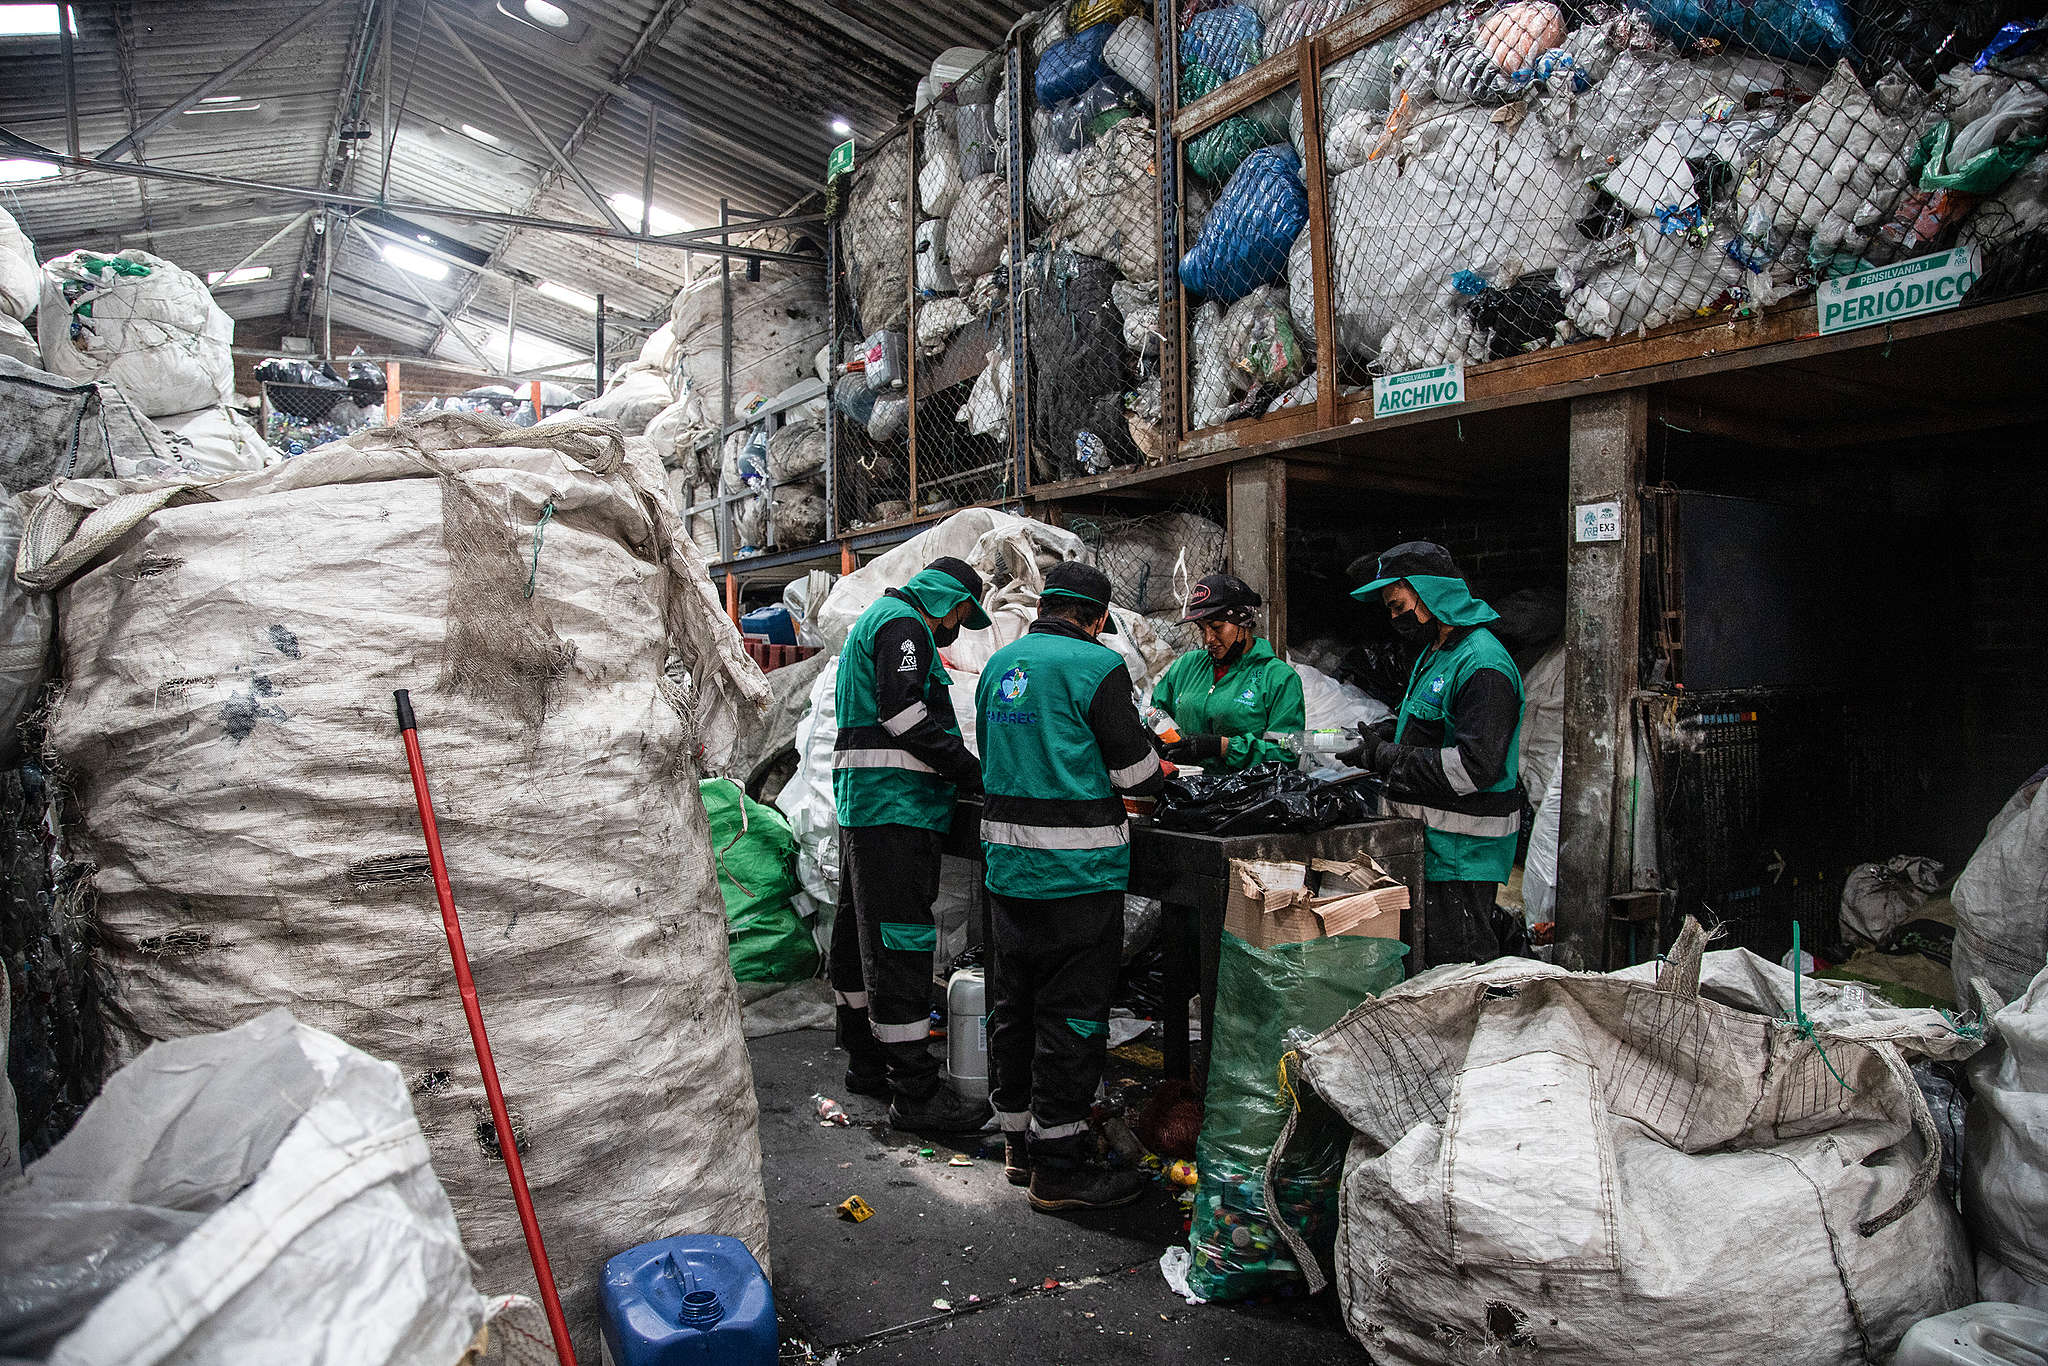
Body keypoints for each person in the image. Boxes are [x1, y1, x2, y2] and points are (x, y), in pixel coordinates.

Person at [976, 562, 1165, 1211]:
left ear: (1043, 607)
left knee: (1016, 1007)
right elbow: (1138, 775)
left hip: (1008, 873)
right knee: (1071, 1019)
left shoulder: (1000, 665)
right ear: (1099, 618)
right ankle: (1058, 1170)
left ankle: (1018, 1145)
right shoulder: (1097, 666)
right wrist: (1159, 762)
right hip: (1076, 877)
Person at [829, 555, 992, 1132]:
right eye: (960, 618)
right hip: (896, 808)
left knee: (858, 940)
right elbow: (902, 716)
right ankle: (916, 1092)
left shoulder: (878, 620)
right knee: (900, 941)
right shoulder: (905, 626)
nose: (955, 631)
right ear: (951, 603)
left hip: (867, 806)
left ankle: (867, 1062)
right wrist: (969, 770)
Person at [1340, 542, 1526, 967]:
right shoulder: (1437, 652)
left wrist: (1387, 756)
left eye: (1398, 605)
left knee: (1457, 975)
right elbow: (1431, 725)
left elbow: (1473, 768)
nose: (1394, 618)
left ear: (1431, 592)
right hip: (1430, 849)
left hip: (1461, 857)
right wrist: (1386, 736)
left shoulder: (1483, 665)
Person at [1148, 573, 1306, 771]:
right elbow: (1156, 711)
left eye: (1216, 627)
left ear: (1244, 622)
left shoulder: (1278, 678)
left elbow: (1288, 753)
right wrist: (1156, 736)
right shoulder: (1187, 666)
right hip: (1186, 785)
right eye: (1202, 629)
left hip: (1246, 789)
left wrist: (1223, 747)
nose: (1208, 639)